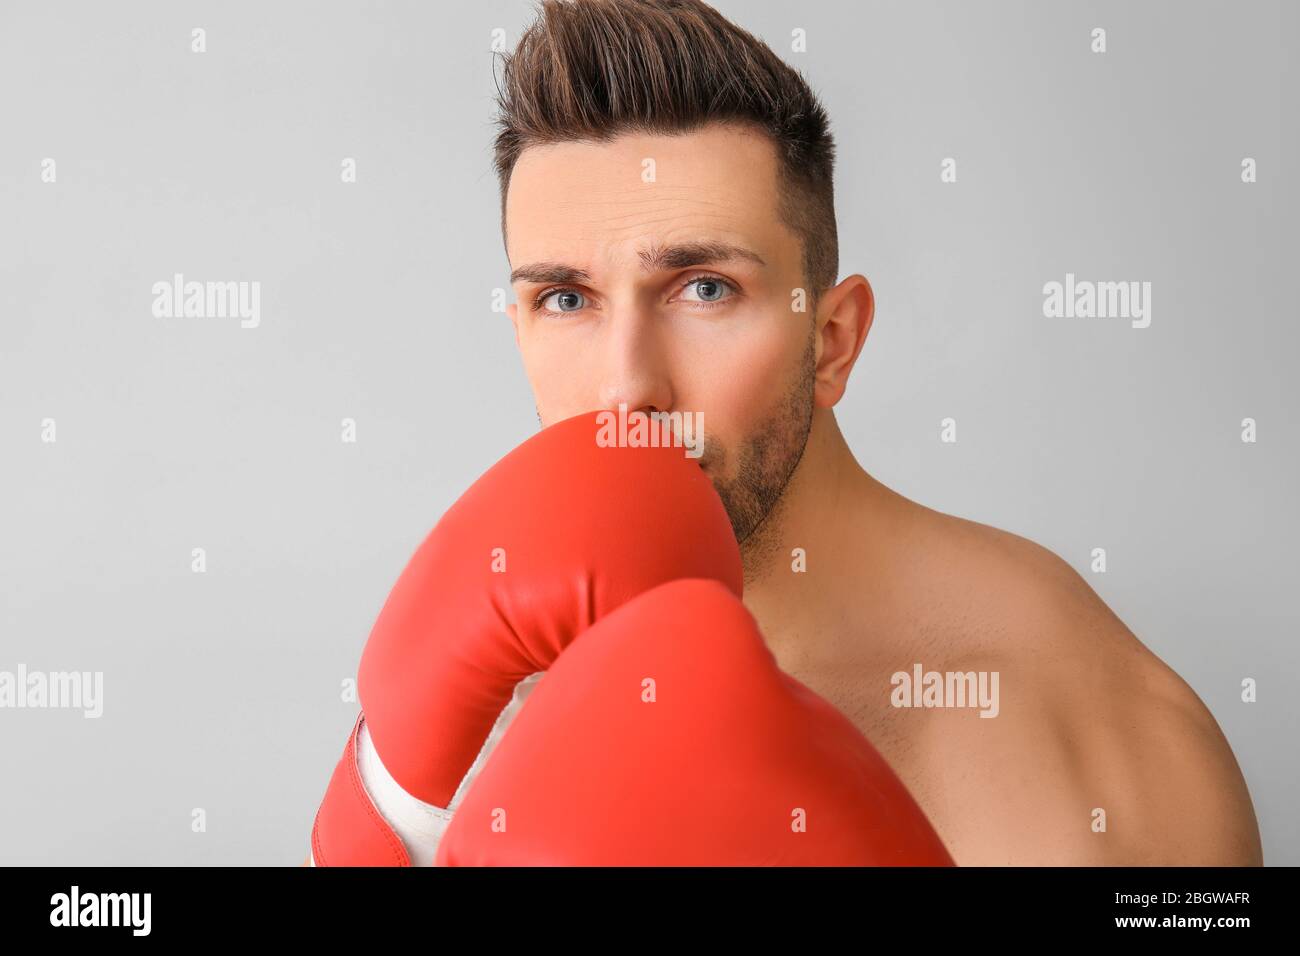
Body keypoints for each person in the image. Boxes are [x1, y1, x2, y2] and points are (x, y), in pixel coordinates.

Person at [307, 0, 1261, 866]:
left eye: (704, 289)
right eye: (566, 298)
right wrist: (400, 818)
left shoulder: (1089, 742)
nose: (627, 388)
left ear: (831, 340)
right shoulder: (483, 695)